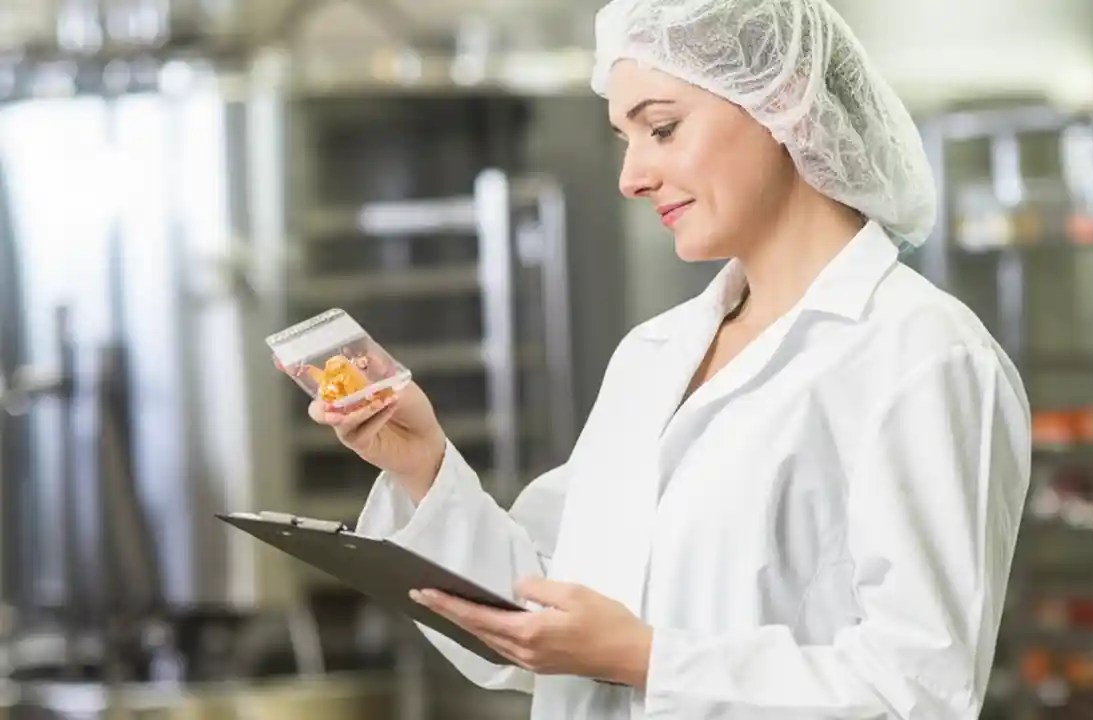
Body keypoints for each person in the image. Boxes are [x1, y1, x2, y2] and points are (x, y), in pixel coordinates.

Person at [304, 0, 1031, 716]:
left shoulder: (921, 354)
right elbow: (546, 604)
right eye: (626, 137)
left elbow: (920, 691)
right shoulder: (655, 354)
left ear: (782, 104)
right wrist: (422, 466)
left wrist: (644, 658)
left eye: (661, 128)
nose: (632, 177)